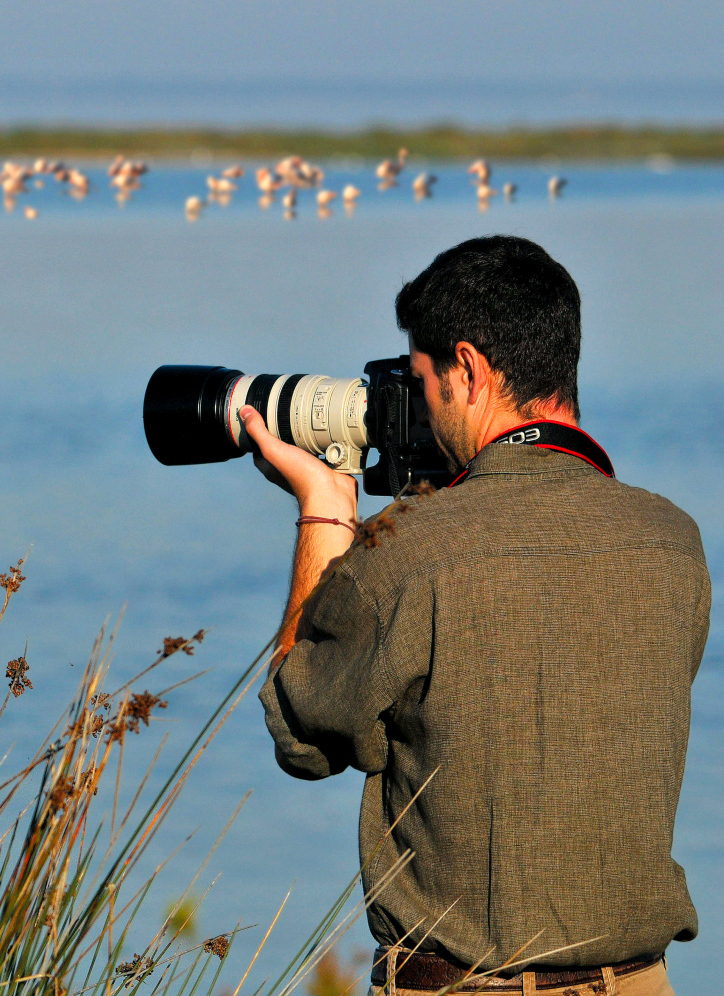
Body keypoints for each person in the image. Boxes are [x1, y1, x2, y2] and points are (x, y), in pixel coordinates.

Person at [248, 236, 708, 996]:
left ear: (468, 369)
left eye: (422, 381)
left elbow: (304, 736)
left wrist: (324, 515)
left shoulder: (411, 556)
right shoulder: (672, 541)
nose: (421, 407)